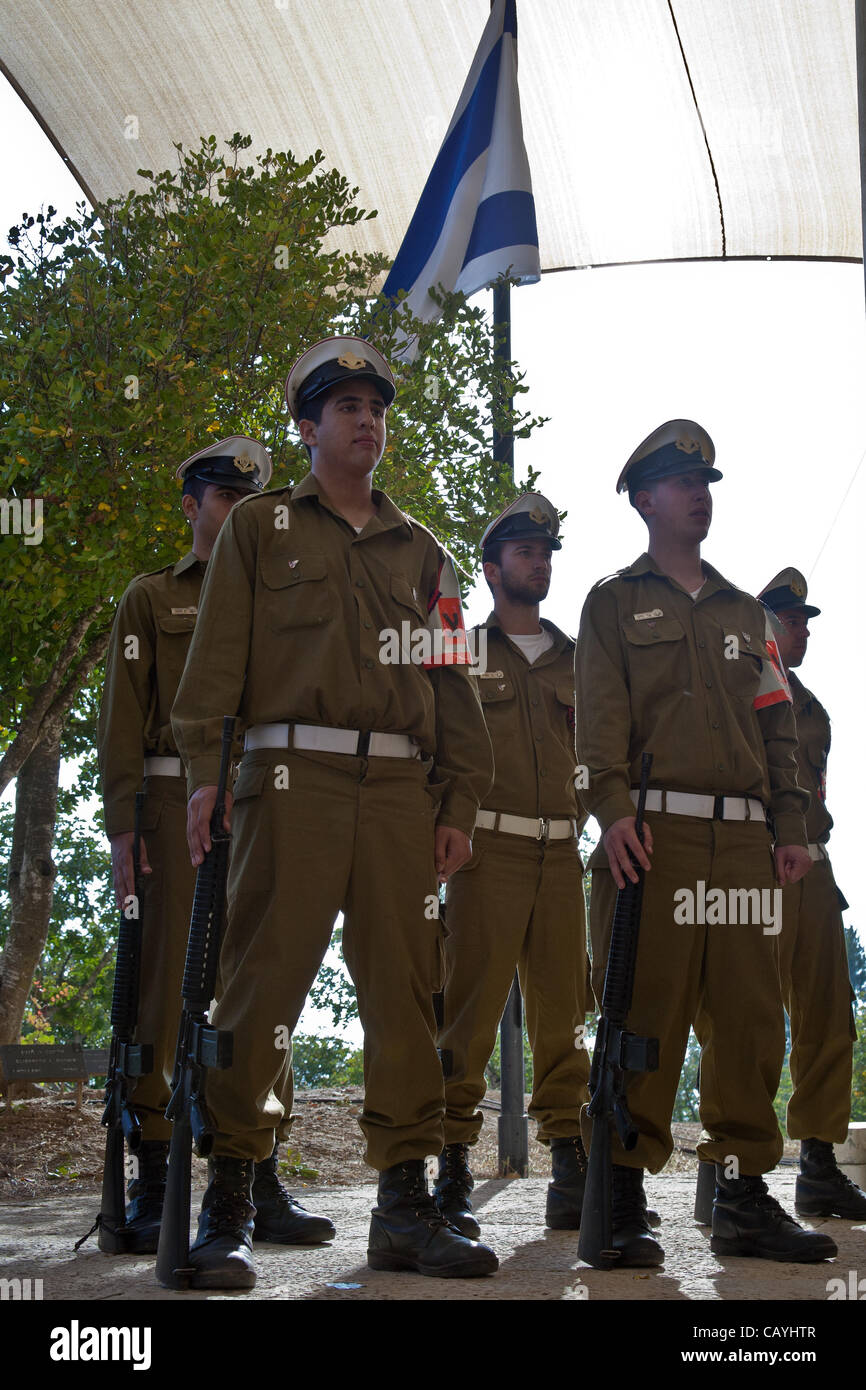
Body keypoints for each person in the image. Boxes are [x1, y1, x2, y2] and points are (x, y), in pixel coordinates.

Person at [171, 336, 498, 1288]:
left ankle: (404, 1208)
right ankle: (227, 1201)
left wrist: (461, 801)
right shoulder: (260, 530)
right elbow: (215, 668)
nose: (367, 420)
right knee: (260, 987)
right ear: (307, 427)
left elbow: (454, 690)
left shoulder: (425, 552)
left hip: (401, 791)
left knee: (406, 991)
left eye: (375, 407)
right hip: (288, 782)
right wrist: (204, 778)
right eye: (345, 406)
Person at [574, 420, 837, 1266]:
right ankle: (619, 1191)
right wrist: (612, 813)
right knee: (646, 1016)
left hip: (746, 842)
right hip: (657, 837)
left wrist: (789, 828)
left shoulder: (743, 613)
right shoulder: (613, 602)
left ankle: (744, 1193)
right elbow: (598, 728)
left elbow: (778, 724)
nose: (700, 495)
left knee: (752, 1021)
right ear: (645, 499)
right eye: (684, 484)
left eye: (708, 484)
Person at [97, 436, 335, 1253]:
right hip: (169, 804)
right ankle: (154, 1171)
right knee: (165, 986)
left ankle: (256, 1172)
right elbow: (124, 722)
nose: (236, 512)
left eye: (247, 499)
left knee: (261, 988)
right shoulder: (150, 599)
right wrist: (124, 829)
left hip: (263, 795)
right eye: (221, 498)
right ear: (192, 505)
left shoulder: (276, 597)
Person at [434, 493, 591, 1236]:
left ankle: (570, 1162)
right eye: (526, 552)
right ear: (494, 569)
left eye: (548, 551)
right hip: (484, 854)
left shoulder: (580, 661)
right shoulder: (461, 652)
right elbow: (437, 751)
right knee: (466, 1014)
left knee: (565, 1016)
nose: (541, 562)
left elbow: (602, 754)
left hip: (561, 854)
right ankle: (452, 1161)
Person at [757, 568, 866, 1219]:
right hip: (760, 869)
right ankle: (733, 1167)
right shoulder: (739, 693)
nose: (805, 632)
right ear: (768, 622)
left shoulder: (814, 707)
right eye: (796, 620)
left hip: (815, 873)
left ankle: (819, 1164)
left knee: (829, 1016)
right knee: (750, 1020)